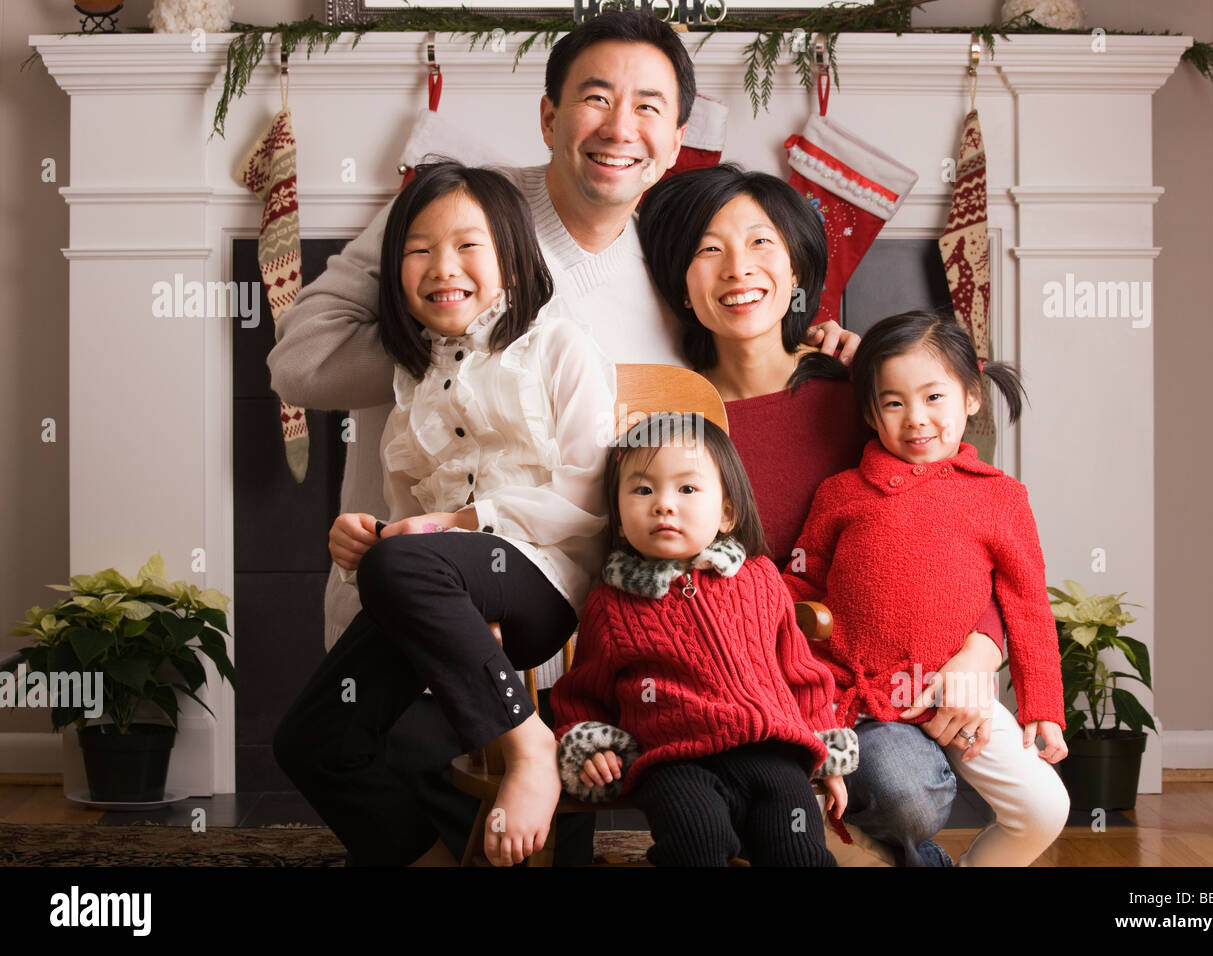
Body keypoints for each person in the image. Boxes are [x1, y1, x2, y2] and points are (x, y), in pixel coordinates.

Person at [267, 13, 858, 863]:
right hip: (424, 588)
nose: (622, 127)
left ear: (677, 135)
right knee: (368, 754)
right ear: (548, 118)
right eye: (596, 98)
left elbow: (717, 395)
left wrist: (833, 350)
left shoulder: (666, 258)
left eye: (649, 106)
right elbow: (301, 365)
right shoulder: (455, 214)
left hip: (592, 620)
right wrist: (455, 331)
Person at [637, 164, 1007, 866]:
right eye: (707, 250)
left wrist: (979, 651)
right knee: (714, 801)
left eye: (760, 243)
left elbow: (970, 527)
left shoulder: (866, 399)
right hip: (729, 686)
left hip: (855, 688)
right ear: (679, 281)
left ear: (799, 262)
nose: (737, 269)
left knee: (902, 793)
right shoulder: (667, 417)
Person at [275, 161, 617, 867]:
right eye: (418, 250)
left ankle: (531, 748)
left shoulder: (560, 348)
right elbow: (408, 526)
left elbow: (587, 502)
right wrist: (365, 540)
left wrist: (445, 532)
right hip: (442, 590)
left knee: (407, 560)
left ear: (514, 263)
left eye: (468, 245)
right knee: (312, 741)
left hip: (544, 580)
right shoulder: (413, 378)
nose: (442, 267)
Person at [784, 310, 1072, 866]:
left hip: (959, 696)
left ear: (971, 396)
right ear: (870, 411)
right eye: (893, 403)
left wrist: (1044, 707)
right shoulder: (841, 493)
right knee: (885, 804)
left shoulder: (1001, 498)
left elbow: (1027, 602)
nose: (915, 419)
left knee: (1043, 808)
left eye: (934, 397)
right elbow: (802, 576)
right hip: (861, 699)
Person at [549, 413, 857, 866]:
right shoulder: (611, 606)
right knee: (697, 844)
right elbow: (583, 694)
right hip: (675, 762)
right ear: (617, 520)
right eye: (643, 489)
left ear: (727, 512)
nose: (664, 505)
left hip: (772, 751)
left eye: (687, 489)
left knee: (799, 849)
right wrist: (592, 747)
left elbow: (801, 674)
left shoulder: (761, 580)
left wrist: (824, 752)